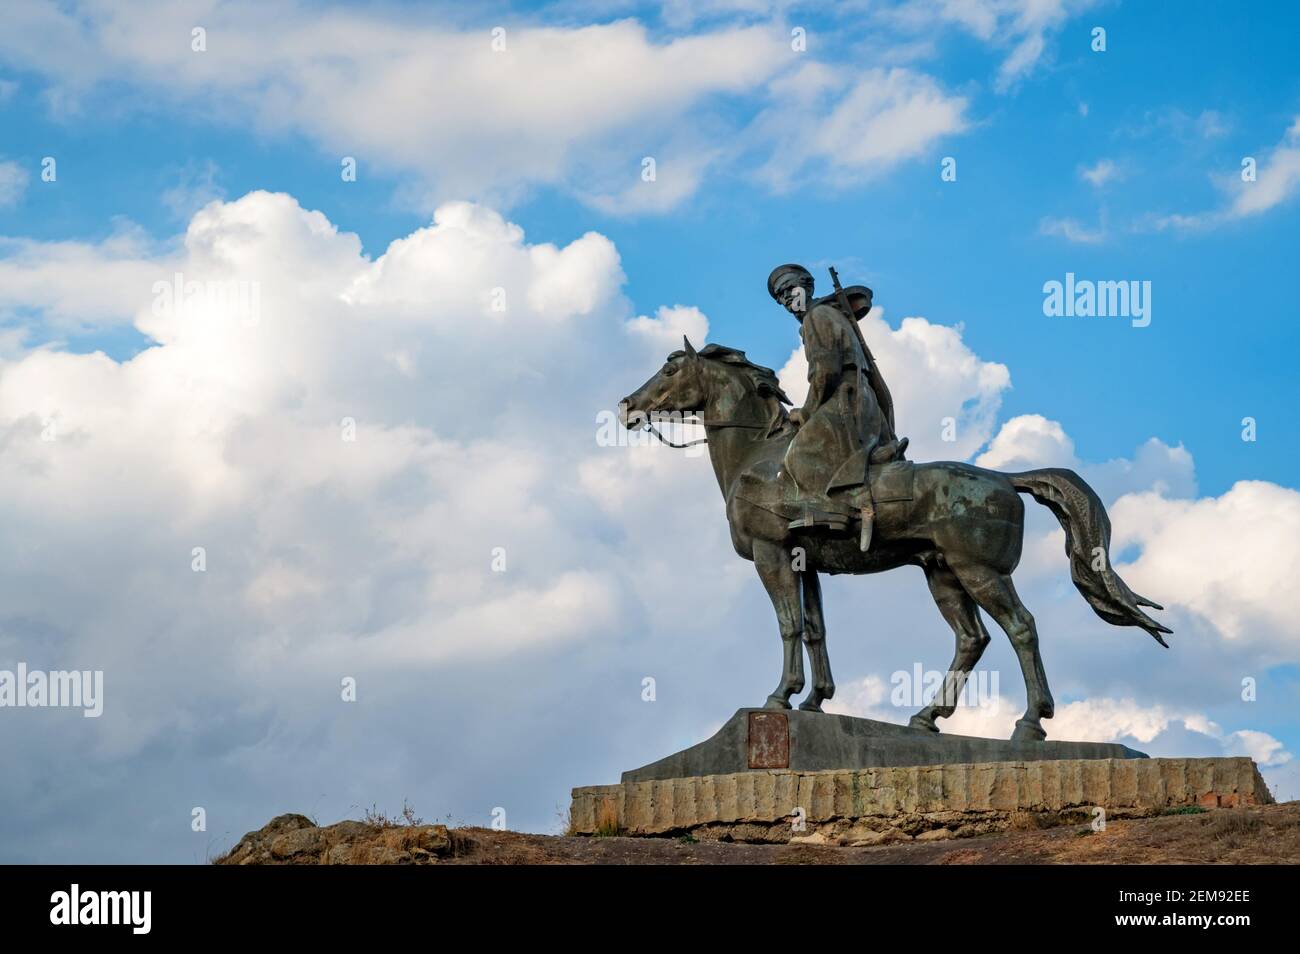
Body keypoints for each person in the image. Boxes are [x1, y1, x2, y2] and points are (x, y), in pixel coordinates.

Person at [767, 263, 904, 549]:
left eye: (789, 289)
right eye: (780, 296)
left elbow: (825, 371)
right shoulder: (827, 314)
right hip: (860, 400)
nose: (785, 299)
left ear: (807, 286)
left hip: (847, 400)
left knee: (798, 454)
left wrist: (806, 412)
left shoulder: (816, 317)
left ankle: (833, 513)